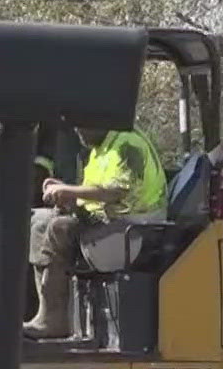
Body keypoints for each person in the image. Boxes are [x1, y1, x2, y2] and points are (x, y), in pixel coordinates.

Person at [25, 124, 167, 338]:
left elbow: (115, 192)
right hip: (112, 223)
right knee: (39, 223)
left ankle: (55, 321)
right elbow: (93, 198)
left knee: (59, 229)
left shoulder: (128, 144)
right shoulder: (100, 149)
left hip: (136, 230)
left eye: (82, 123)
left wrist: (67, 190)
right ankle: (46, 313)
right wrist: (68, 197)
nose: (77, 130)